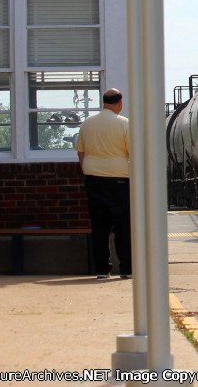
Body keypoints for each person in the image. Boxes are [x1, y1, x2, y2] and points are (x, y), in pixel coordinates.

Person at [76, 88, 131, 279]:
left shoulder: (87, 124)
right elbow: (131, 152)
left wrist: (87, 169)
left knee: (99, 226)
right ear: (120, 103)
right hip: (119, 179)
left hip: (93, 178)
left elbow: (81, 152)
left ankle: (101, 269)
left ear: (103, 102)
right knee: (123, 226)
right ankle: (126, 269)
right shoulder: (124, 124)